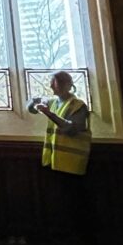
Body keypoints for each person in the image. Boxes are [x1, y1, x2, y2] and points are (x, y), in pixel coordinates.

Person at [31, 72, 91, 227]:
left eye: (54, 83)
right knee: (58, 203)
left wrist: (49, 114)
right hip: (54, 160)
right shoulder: (53, 101)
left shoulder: (78, 105)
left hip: (71, 163)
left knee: (74, 204)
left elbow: (71, 129)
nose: (51, 86)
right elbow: (30, 107)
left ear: (65, 85)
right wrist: (35, 102)